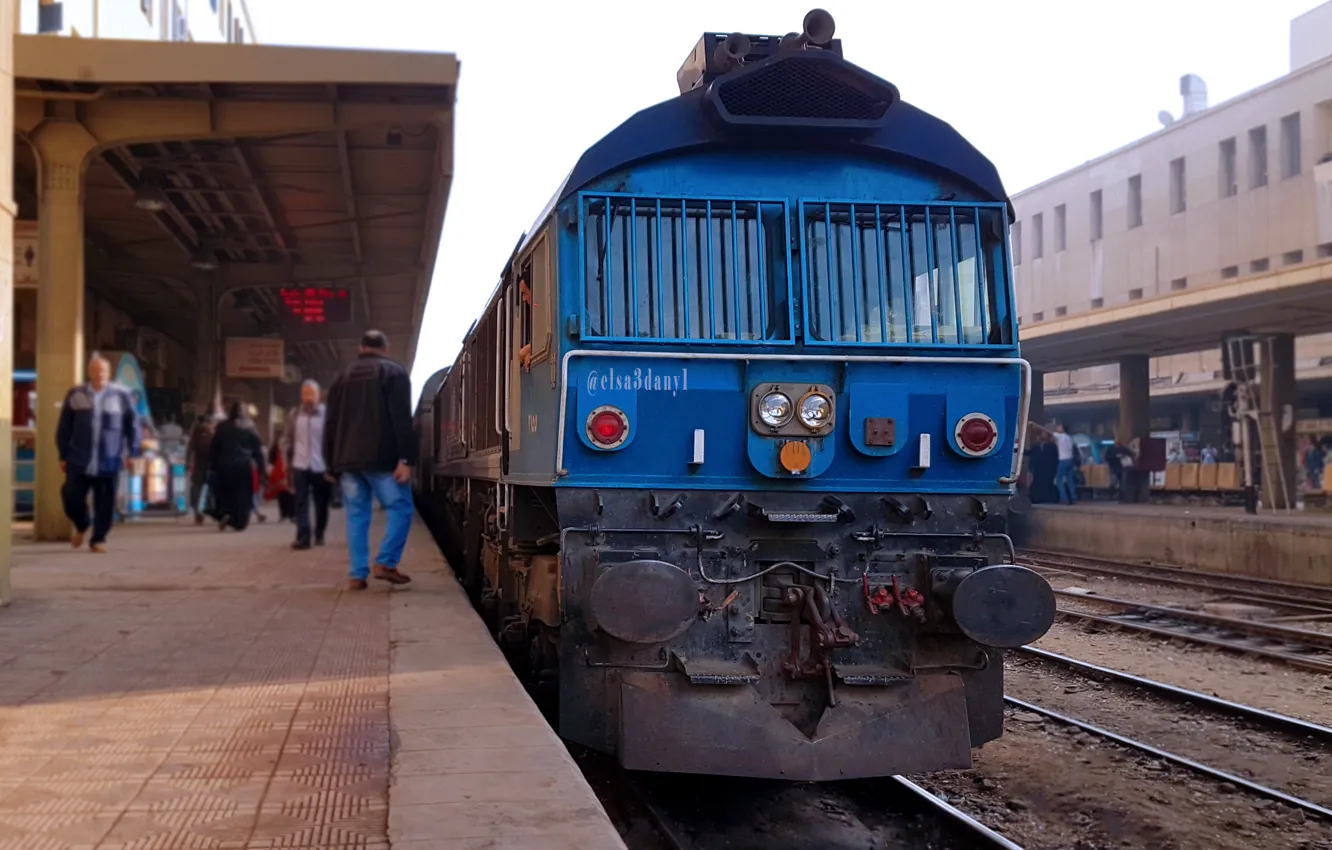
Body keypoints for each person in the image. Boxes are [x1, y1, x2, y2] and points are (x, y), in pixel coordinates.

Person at [323, 330, 416, 590]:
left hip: (347, 460)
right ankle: (385, 562)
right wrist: (406, 458)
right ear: (385, 349)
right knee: (400, 508)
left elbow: (330, 424)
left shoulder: (341, 378)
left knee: (357, 515)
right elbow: (401, 419)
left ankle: (357, 575)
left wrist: (330, 463)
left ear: (360, 348)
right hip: (382, 458)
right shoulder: (393, 372)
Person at [55, 354, 141, 552]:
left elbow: (133, 426)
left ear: (108, 373)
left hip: (108, 459)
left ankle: (98, 539)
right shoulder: (76, 394)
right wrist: (63, 454)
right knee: (70, 496)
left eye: (102, 370)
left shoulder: (122, 395)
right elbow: (64, 426)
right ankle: (82, 523)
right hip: (79, 459)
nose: (99, 374)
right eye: (95, 370)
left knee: (105, 502)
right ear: (89, 372)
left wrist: (132, 452)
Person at [283, 379, 332, 550]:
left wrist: (332, 465)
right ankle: (303, 537)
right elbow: (287, 438)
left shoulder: (327, 414)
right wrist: (286, 460)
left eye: (311, 393)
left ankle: (319, 533)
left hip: (322, 466)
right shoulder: (295, 414)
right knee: (301, 502)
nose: (308, 397)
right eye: (305, 394)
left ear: (319, 395)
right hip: (300, 464)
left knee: (322, 503)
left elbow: (333, 440)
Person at [209, 402, 267, 531]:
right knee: (243, 497)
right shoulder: (249, 427)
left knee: (224, 494)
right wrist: (261, 470)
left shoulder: (222, 427)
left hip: (224, 466)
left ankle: (225, 514)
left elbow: (214, 447)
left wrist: (211, 466)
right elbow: (257, 450)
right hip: (243, 467)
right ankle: (238, 521)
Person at [185, 416, 215, 524]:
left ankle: (198, 513)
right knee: (210, 490)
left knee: (197, 489)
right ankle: (211, 510)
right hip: (210, 466)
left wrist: (188, 463)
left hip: (198, 466)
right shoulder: (212, 434)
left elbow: (189, 450)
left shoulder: (195, 435)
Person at [266, 440, 294, 521]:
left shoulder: (292, 447)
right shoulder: (276, 449)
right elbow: (271, 460)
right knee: (282, 494)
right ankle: (284, 514)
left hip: (288, 472)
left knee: (290, 494)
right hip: (279, 473)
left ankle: (290, 514)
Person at [1051, 423, 1077, 505]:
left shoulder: (1059, 436)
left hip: (1063, 460)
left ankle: (1064, 498)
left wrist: (1035, 425)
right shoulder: (1069, 437)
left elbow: (1048, 432)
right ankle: (1073, 497)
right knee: (1070, 480)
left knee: (1059, 479)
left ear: (1062, 429)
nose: (1057, 428)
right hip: (1070, 460)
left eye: (1059, 427)